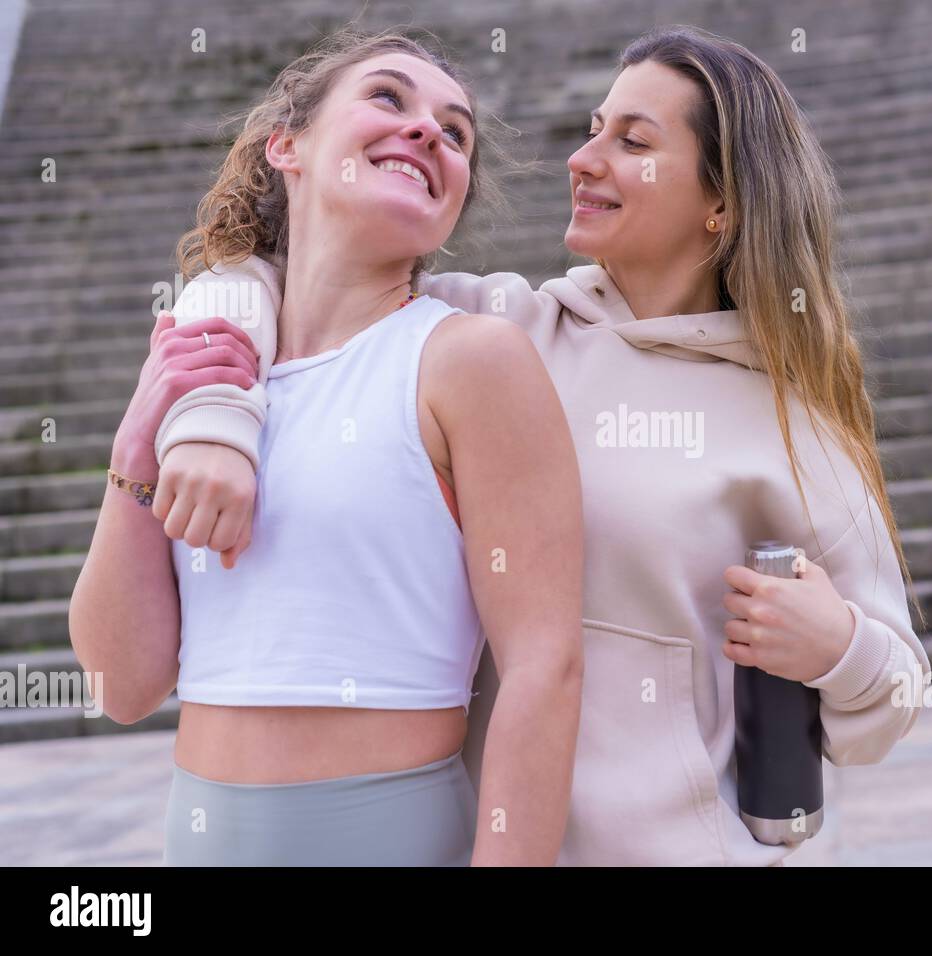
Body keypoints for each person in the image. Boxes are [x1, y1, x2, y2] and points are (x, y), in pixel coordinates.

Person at [148, 25, 930, 866]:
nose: (583, 158)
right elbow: (277, 271)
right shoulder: (498, 327)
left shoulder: (792, 423)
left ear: (723, 203)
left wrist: (838, 645)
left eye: (632, 141)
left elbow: (893, 697)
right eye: (593, 129)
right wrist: (217, 421)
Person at [68, 27, 584, 866]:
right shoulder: (209, 380)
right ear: (287, 145)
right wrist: (135, 450)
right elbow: (120, 687)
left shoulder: (468, 360)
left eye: (455, 133)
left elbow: (544, 667)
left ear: (450, 203)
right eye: (388, 97)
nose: (428, 131)